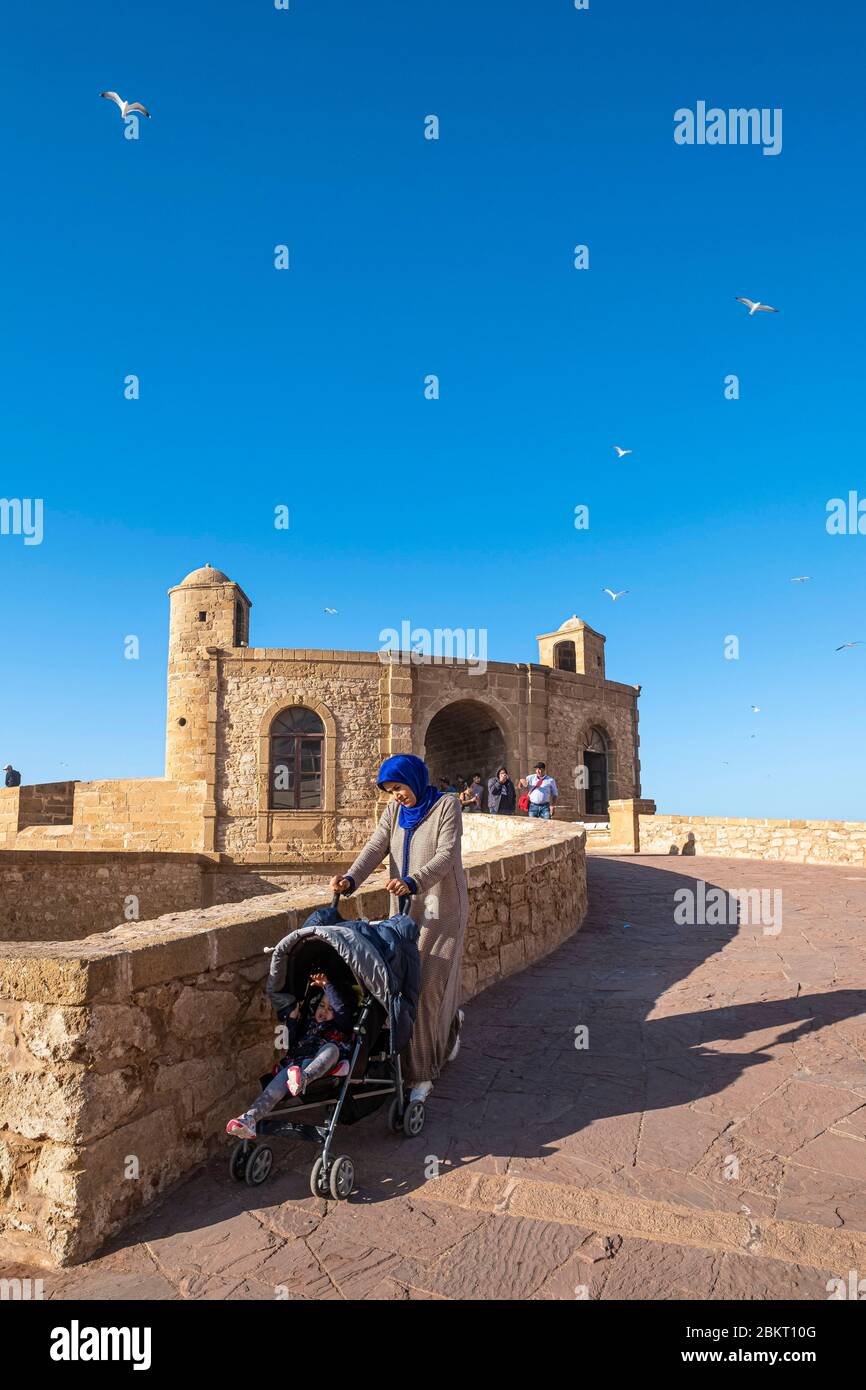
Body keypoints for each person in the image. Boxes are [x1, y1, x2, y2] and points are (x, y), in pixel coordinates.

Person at [330, 753, 468, 1105]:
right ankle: (449, 1031)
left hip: (441, 912)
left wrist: (413, 880)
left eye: (399, 788)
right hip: (404, 914)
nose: (396, 796)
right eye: (390, 790)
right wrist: (351, 879)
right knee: (404, 991)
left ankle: (421, 1076)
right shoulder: (393, 812)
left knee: (425, 990)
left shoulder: (446, 806)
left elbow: (447, 854)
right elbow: (376, 846)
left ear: (414, 779)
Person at [226, 971, 354, 1140]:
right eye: (321, 1006)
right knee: (272, 1091)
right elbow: (289, 1042)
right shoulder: (308, 1022)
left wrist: (327, 986)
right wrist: (292, 1019)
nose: (324, 1011)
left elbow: (343, 1012)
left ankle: (303, 1078)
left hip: (319, 1065)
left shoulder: (339, 1027)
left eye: (330, 1009)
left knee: (332, 1049)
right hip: (294, 1067)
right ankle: (249, 1118)